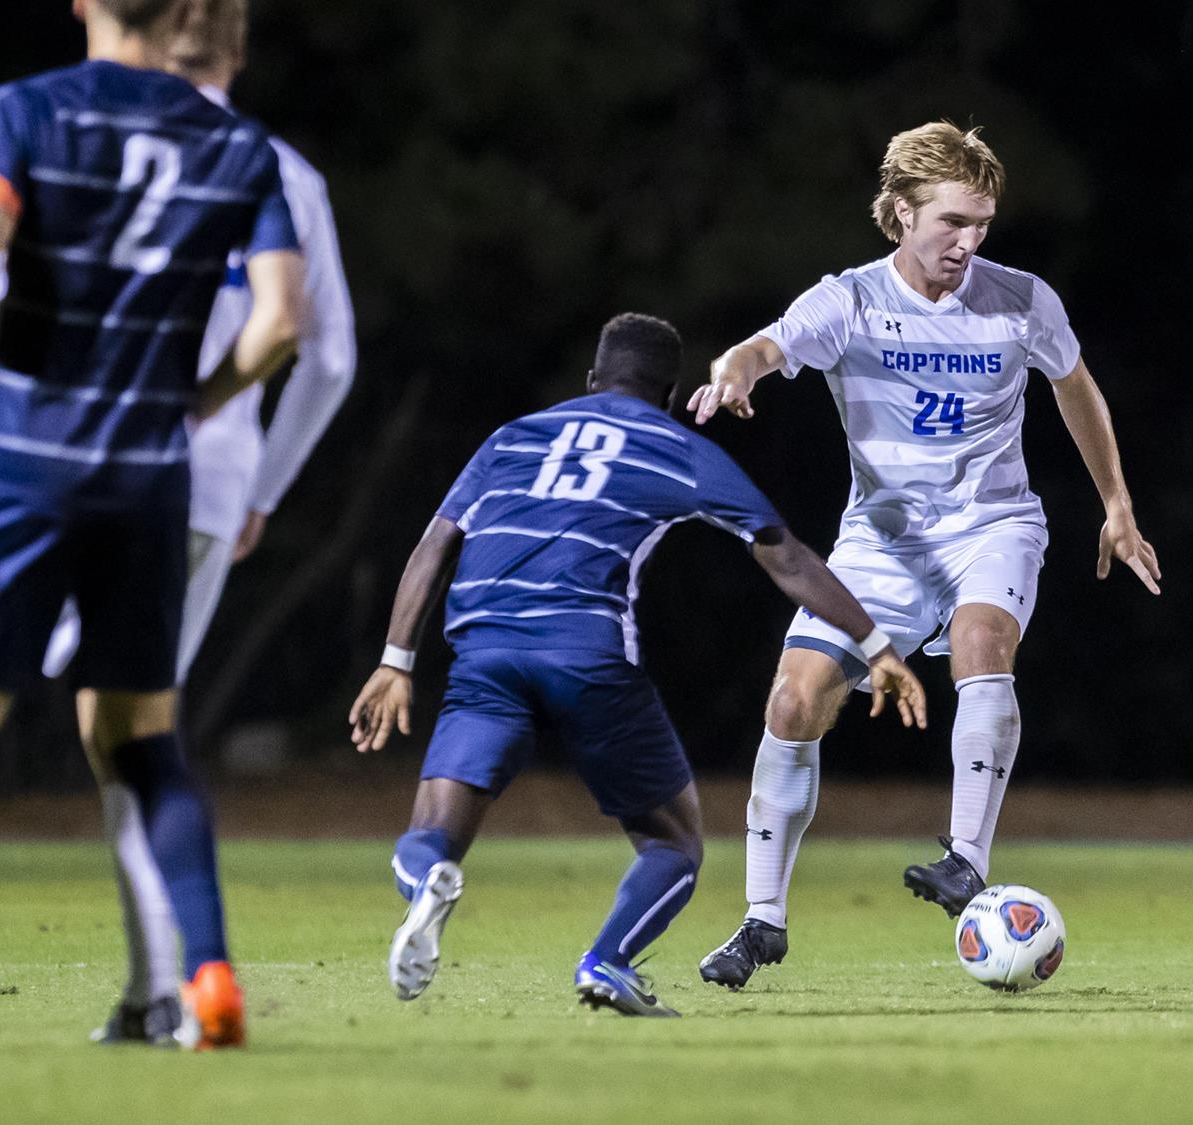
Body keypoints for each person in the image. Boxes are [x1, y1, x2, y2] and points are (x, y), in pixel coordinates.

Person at [688, 122, 1160, 991]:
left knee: (983, 641)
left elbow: (1074, 385)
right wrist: (736, 370)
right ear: (901, 212)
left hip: (992, 524)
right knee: (794, 701)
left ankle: (966, 859)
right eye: (952, 221)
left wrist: (1117, 504)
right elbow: (765, 346)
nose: (969, 241)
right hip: (882, 544)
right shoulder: (850, 301)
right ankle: (761, 921)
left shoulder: (1021, 300)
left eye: (982, 223)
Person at [347, 313, 927, 1018]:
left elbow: (433, 547)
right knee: (672, 841)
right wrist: (877, 645)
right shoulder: (675, 447)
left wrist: (395, 661)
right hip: (585, 655)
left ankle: (428, 878)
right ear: (670, 393)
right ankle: (607, 961)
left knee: (433, 831)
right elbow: (787, 557)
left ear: (592, 380)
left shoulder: (512, 437)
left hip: (486, 652)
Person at [0, 0, 306, 1049]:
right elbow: (280, 323)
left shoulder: (28, 110)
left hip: (26, 461)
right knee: (143, 738)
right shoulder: (238, 145)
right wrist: (198, 403)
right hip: (151, 477)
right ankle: (208, 976)